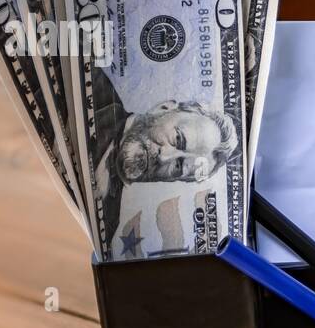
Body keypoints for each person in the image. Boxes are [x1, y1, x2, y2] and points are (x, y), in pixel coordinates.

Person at [89, 69, 239, 247]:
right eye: (177, 139)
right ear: (164, 108)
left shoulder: (108, 226)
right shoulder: (91, 81)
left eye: (178, 166)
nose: (164, 157)